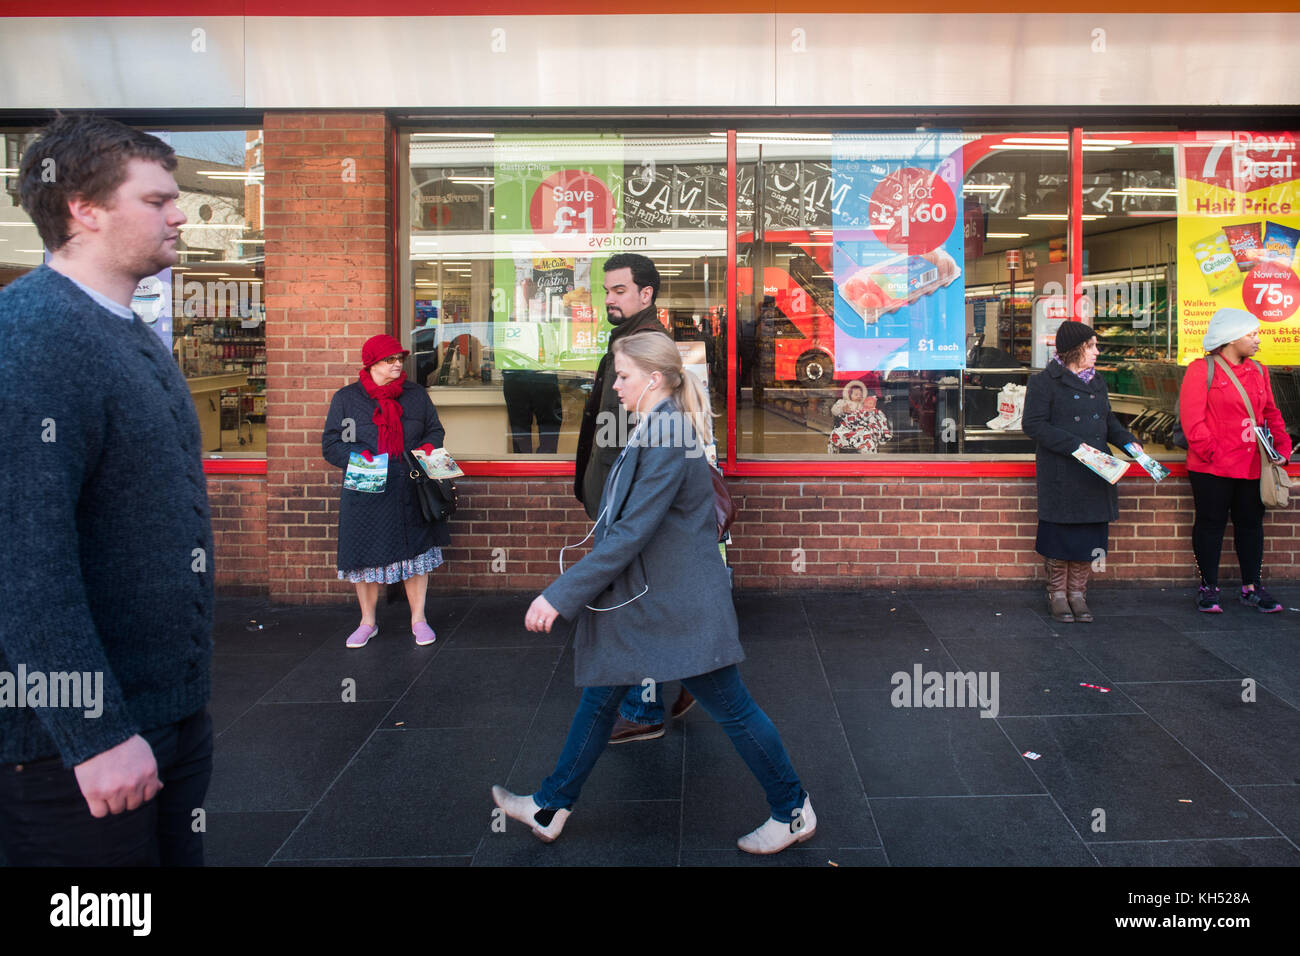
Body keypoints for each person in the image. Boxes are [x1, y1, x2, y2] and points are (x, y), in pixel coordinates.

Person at [493, 334, 815, 854]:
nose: (614, 385)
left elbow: (630, 532)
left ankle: (793, 809)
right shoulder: (659, 426)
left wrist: (560, 595)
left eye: (622, 375)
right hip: (654, 597)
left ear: (655, 378)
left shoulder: (666, 433)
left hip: (679, 606)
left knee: (732, 708)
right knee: (602, 695)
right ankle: (551, 805)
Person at [0, 114, 213, 865]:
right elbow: (22, 562)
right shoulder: (33, 340)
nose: (181, 213)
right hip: (76, 754)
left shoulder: (116, 326)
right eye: (157, 200)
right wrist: (93, 733)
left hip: (163, 719)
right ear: (83, 209)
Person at [572, 252, 693, 743]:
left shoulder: (646, 345)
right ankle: (689, 681)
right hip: (616, 488)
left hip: (626, 494)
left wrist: (618, 499)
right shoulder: (628, 339)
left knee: (632, 600)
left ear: (647, 294)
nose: (610, 299)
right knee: (643, 596)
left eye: (619, 290)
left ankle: (643, 709)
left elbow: (643, 432)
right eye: (607, 291)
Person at [322, 333, 449, 647]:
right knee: (363, 557)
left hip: (410, 484)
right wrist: (356, 458)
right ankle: (367, 622)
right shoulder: (346, 399)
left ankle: (418, 619)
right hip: (366, 487)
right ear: (372, 364)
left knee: (415, 552)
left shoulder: (415, 395)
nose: (397, 364)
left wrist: (429, 446)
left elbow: (434, 427)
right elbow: (331, 444)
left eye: (399, 359)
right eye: (390, 359)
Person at [1022, 321, 1142, 623]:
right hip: (1062, 471)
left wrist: (1129, 442)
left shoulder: (1097, 382)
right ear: (1076, 349)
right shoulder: (1044, 382)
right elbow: (1033, 425)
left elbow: (1107, 421)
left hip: (1096, 472)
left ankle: (1078, 593)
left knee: (1089, 537)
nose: (1097, 352)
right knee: (1060, 537)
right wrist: (1076, 446)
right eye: (1092, 346)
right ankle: (1057, 594)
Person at [1179, 308, 1292, 613]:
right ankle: (1209, 587)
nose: (1257, 339)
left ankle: (1252, 587)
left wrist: (1282, 444)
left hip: (1252, 463)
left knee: (1251, 525)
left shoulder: (1259, 371)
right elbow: (1192, 421)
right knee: (1210, 524)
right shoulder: (1201, 370)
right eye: (1251, 334)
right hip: (1211, 466)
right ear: (1230, 338)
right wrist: (1213, 452)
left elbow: (1270, 412)